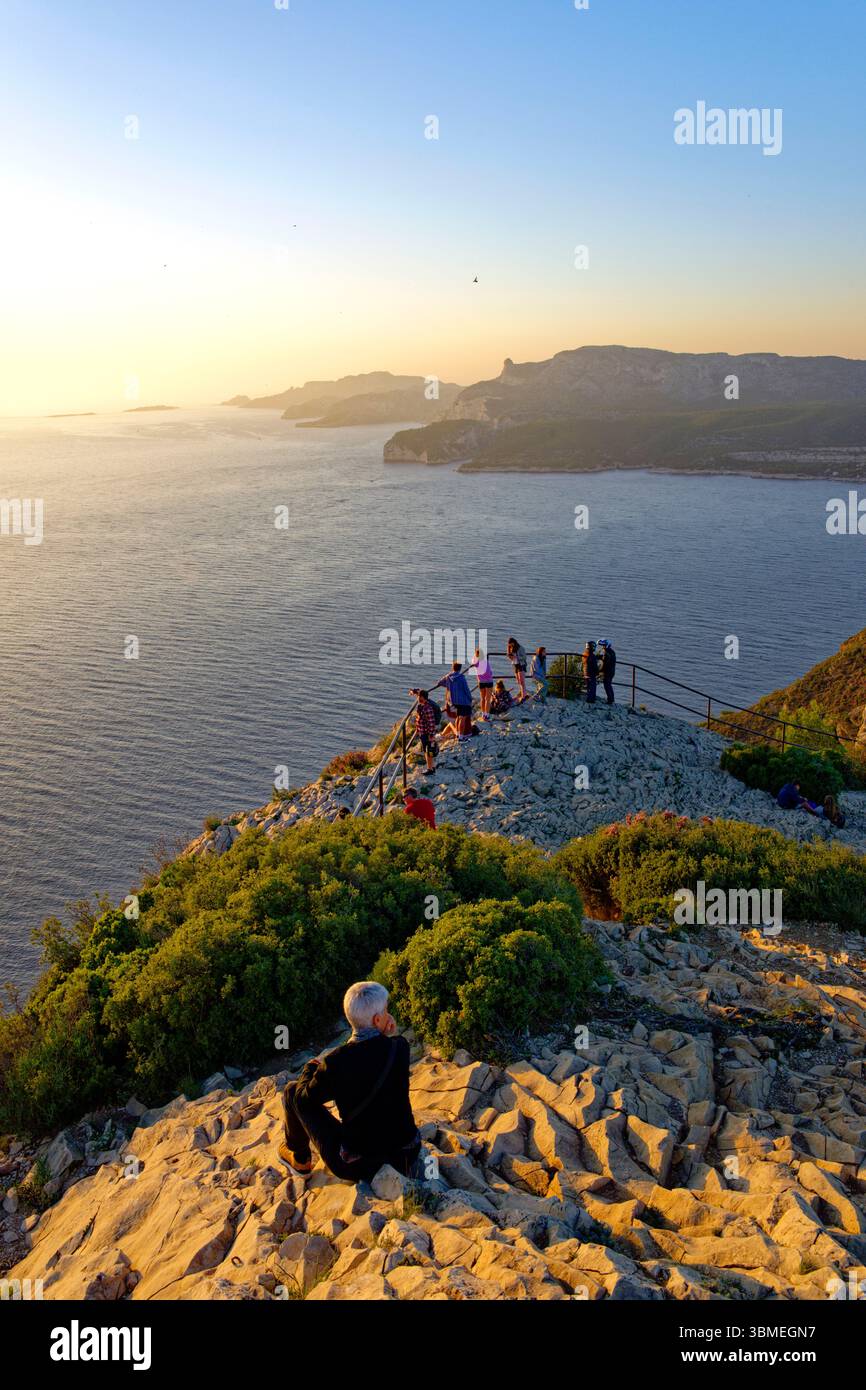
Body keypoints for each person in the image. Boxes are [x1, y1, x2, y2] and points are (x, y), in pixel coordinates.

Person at [280, 981, 420, 1182]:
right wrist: (386, 1034)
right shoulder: (400, 1048)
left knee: (292, 1092)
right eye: (387, 1010)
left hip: (361, 1166)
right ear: (378, 1019)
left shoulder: (335, 1063)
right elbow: (375, 1057)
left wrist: (309, 1069)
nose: (389, 1014)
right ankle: (298, 1157)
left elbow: (304, 1101)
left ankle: (299, 1158)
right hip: (407, 1153)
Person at [432, 661, 474, 740]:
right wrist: (470, 699)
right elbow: (466, 690)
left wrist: (449, 685)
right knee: (463, 718)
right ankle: (461, 737)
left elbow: (440, 682)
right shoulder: (461, 678)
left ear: (452, 667)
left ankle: (458, 734)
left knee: (458, 717)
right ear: (460, 668)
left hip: (454, 702)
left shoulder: (448, 677)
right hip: (463, 701)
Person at [409, 688, 439, 773]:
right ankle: (431, 767)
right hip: (423, 732)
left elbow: (431, 722)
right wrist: (414, 692)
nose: (417, 698)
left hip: (427, 734)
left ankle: (430, 769)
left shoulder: (427, 708)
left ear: (422, 697)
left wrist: (431, 735)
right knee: (427, 750)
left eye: (419, 696)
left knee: (428, 750)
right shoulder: (423, 705)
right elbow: (420, 692)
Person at [468, 648, 495, 720]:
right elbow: (490, 672)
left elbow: (473, 661)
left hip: (481, 681)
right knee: (488, 699)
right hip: (489, 680)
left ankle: (483, 713)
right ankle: (487, 714)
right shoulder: (485, 661)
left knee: (483, 698)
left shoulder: (475, 662)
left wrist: (475, 655)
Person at [506, 637, 528, 703]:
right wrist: (510, 656)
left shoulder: (520, 648)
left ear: (514, 642)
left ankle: (524, 696)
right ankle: (523, 693)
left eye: (511, 644)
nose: (511, 646)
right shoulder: (510, 648)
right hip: (515, 665)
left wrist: (517, 657)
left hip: (521, 665)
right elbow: (511, 659)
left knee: (522, 681)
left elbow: (524, 657)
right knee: (518, 681)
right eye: (510, 645)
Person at [598, 639, 616, 705]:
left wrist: (599, 671)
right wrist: (600, 657)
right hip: (612, 671)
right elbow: (605, 658)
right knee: (609, 685)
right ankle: (612, 699)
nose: (602, 647)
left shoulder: (606, 652)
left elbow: (604, 663)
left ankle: (610, 700)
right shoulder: (612, 651)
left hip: (607, 672)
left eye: (604, 645)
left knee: (607, 686)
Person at [582, 640, 598, 705]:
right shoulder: (592, 656)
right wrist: (597, 672)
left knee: (588, 687)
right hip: (591, 673)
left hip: (585, 672)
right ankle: (591, 700)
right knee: (592, 687)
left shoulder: (584, 654)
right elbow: (595, 666)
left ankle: (589, 698)